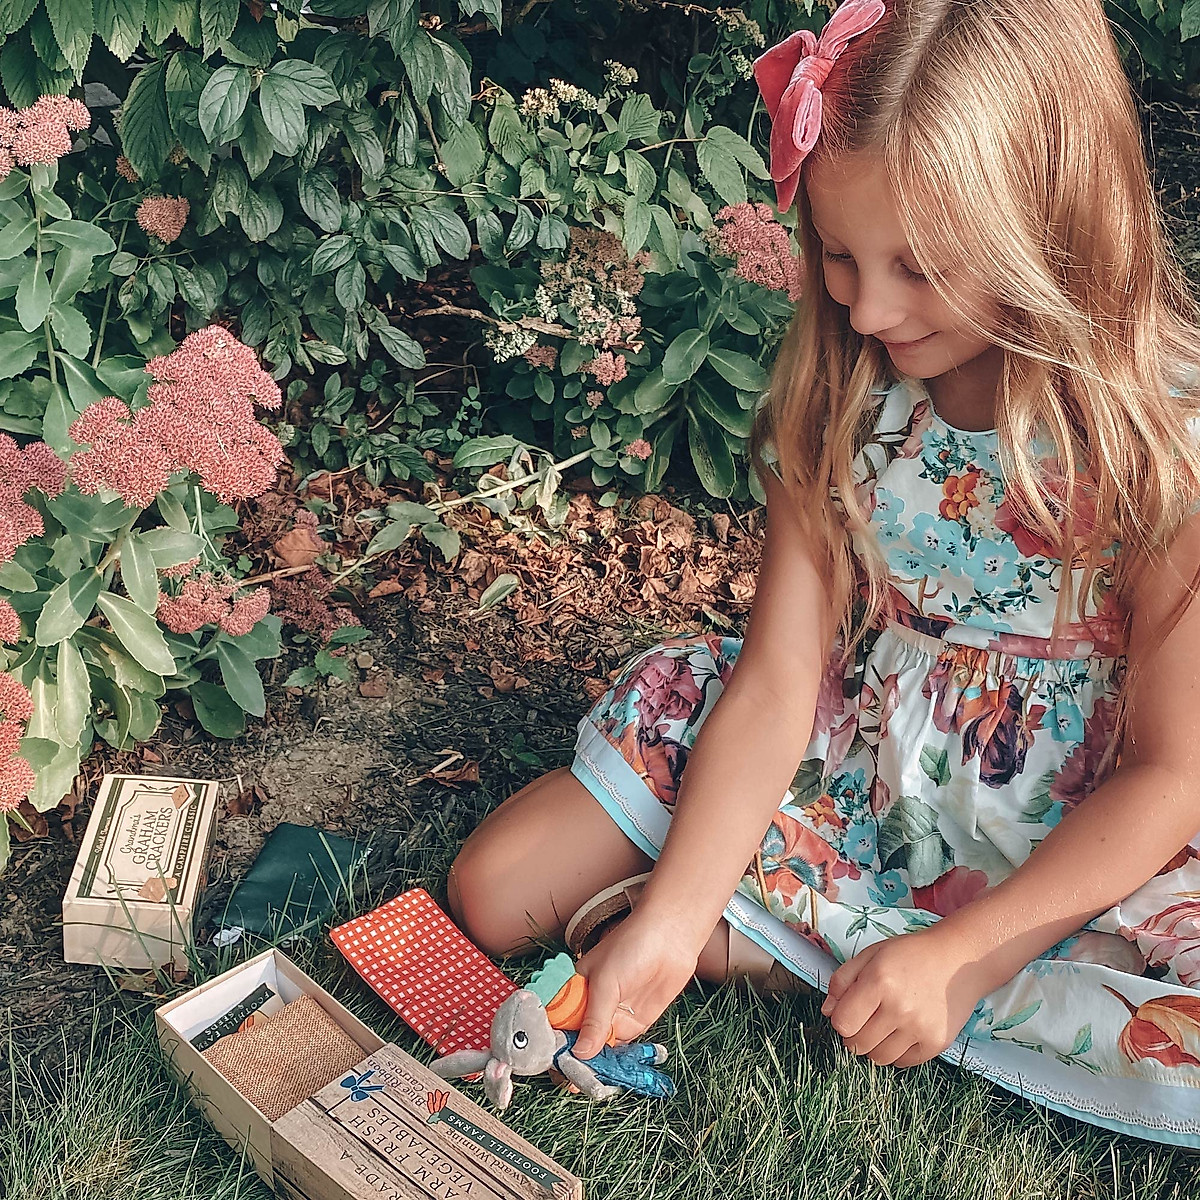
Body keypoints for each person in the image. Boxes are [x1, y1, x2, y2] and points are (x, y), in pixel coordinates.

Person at [447, 0, 1200, 1143]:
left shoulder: (1160, 448)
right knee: (498, 889)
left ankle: (794, 949)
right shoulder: (844, 392)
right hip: (847, 764)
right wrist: (672, 916)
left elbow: (1168, 778)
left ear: (1049, 229)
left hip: (1072, 830)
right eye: (838, 256)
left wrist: (959, 956)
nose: (867, 305)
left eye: (920, 268)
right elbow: (778, 675)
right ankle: (735, 929)